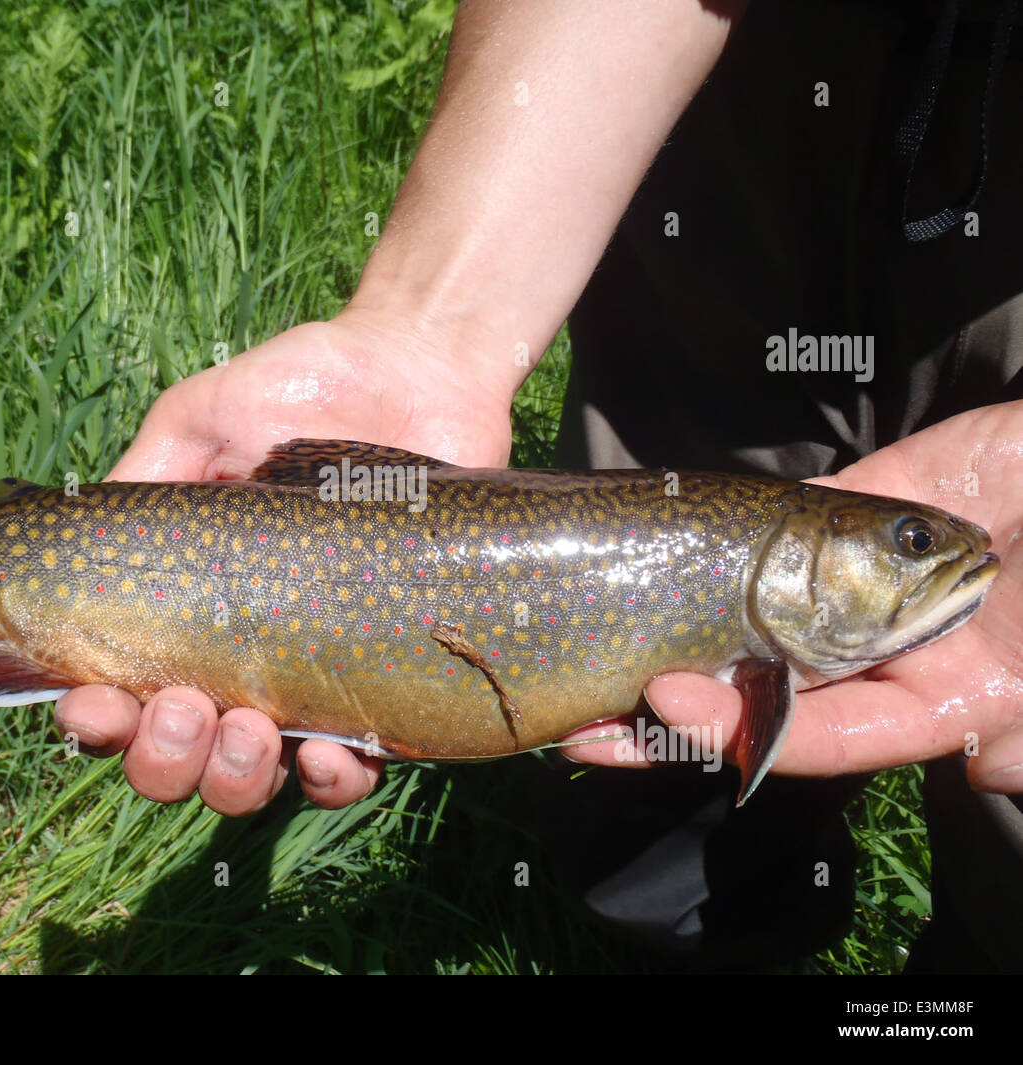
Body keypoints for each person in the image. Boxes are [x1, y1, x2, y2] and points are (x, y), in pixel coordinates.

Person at [55, 0, 1023, 968]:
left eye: (910, 547)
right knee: (661, 819)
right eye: (907, 544)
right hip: (726, 116)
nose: (928, 551)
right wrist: (430, 325)